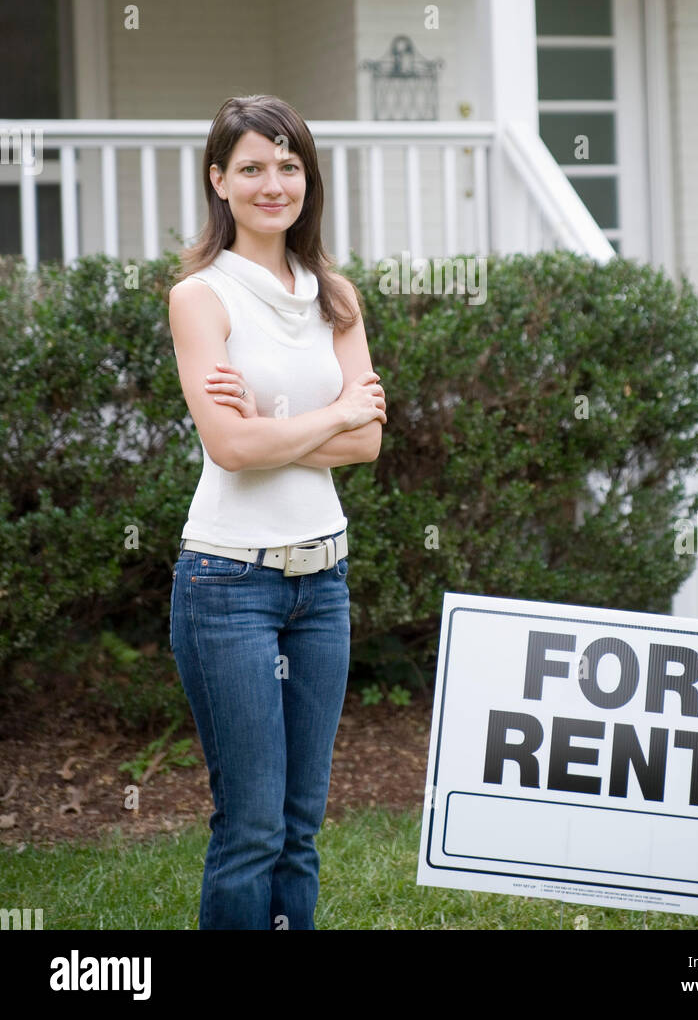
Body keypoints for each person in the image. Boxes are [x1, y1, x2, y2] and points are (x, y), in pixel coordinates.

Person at [168, 94, 386, 930]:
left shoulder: (335, 295)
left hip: (321, 583)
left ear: (308, 178)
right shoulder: (202, 297)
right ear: (219, 181)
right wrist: (332, 415)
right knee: (252, 829)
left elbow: (366, 449)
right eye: (252, 167)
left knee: (301, 829)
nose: (274, 184)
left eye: (289, 165)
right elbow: (230, 449)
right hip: (228, 586)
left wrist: (276, 429)